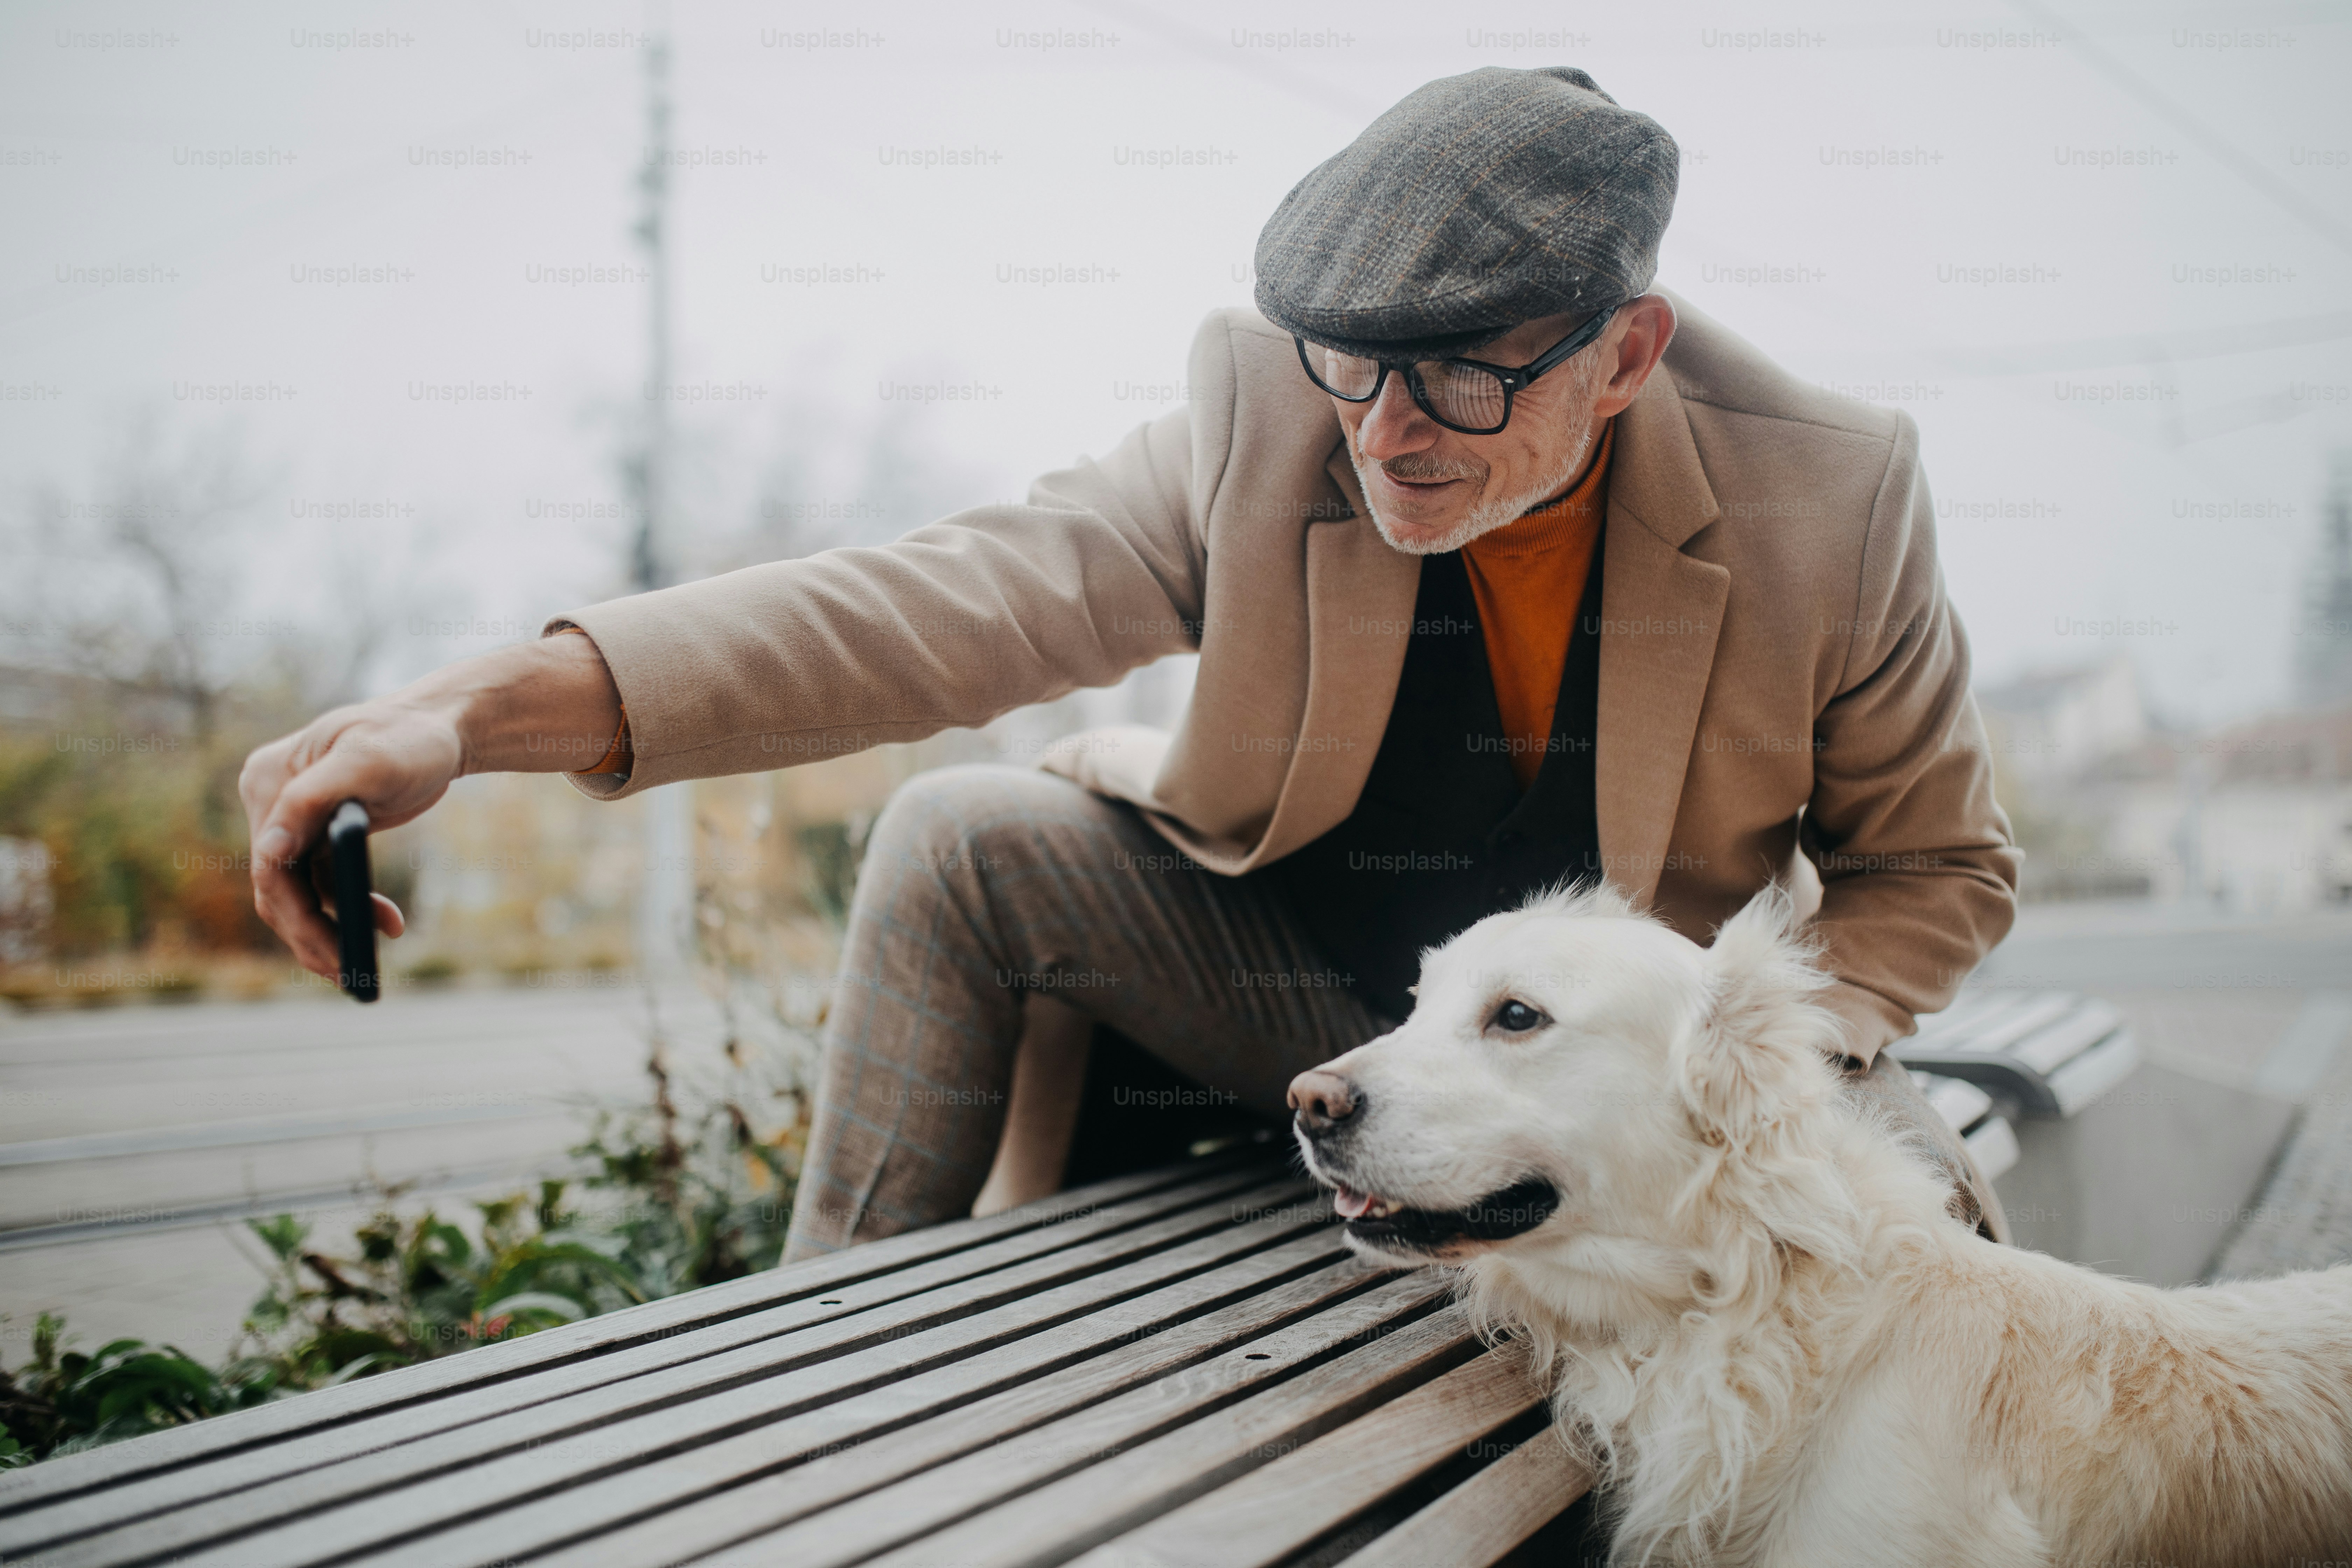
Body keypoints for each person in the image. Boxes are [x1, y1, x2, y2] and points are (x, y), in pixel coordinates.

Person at [241, 66, 2020, 1269]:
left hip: (1622, 1067)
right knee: (959, 830)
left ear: (1625, 350)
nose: (1388, 434)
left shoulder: (1826, 489)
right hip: (1293, 1009)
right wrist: (462, 715)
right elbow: (931, 606)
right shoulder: (1272, 420)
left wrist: (1762, 1053)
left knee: (1932, 1244)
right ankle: (809, 1368)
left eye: (1463, 377)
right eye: (1351, 364)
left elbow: (1933, 867)